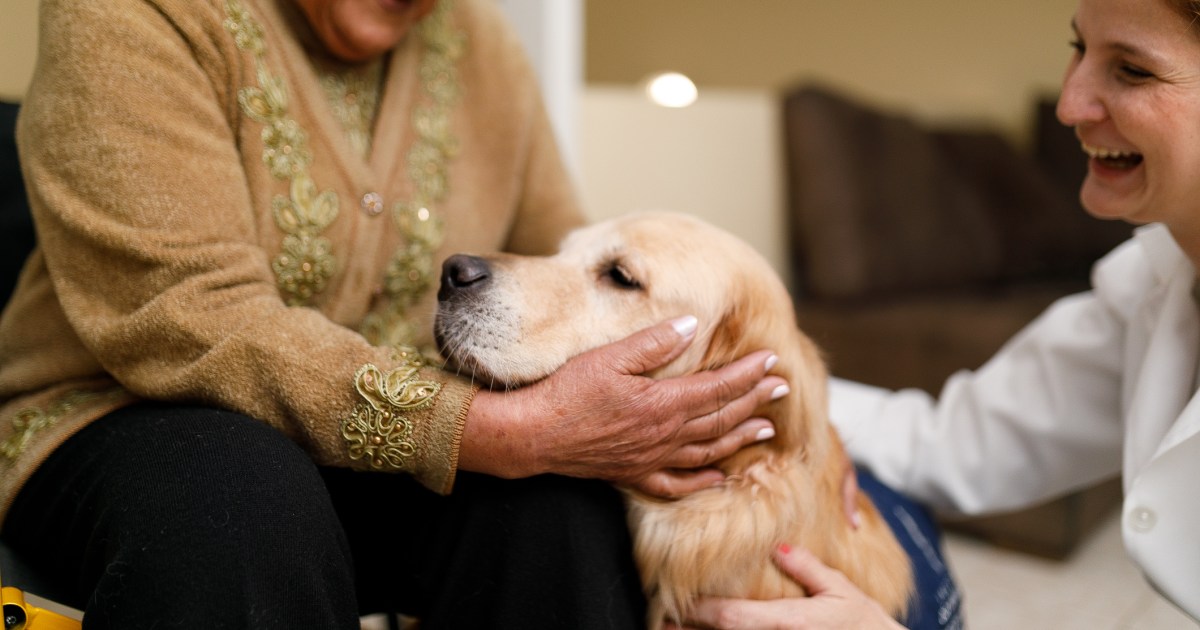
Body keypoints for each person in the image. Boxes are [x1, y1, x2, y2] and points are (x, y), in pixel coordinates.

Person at [0, 0, 788, 627]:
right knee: (242, 500)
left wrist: (800, 441)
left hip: (399, 455)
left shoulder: (483, 44)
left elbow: (561, 271)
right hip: (116, 416)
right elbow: (182, 313)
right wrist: (509, 433)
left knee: (560, 515)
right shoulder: (131, 10)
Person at [670, 0, 1200, 627]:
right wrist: (738, 389)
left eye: (1134, 71)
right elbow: (954, 444)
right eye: (1078, 47)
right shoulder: (1152, 286)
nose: (1069, 104)